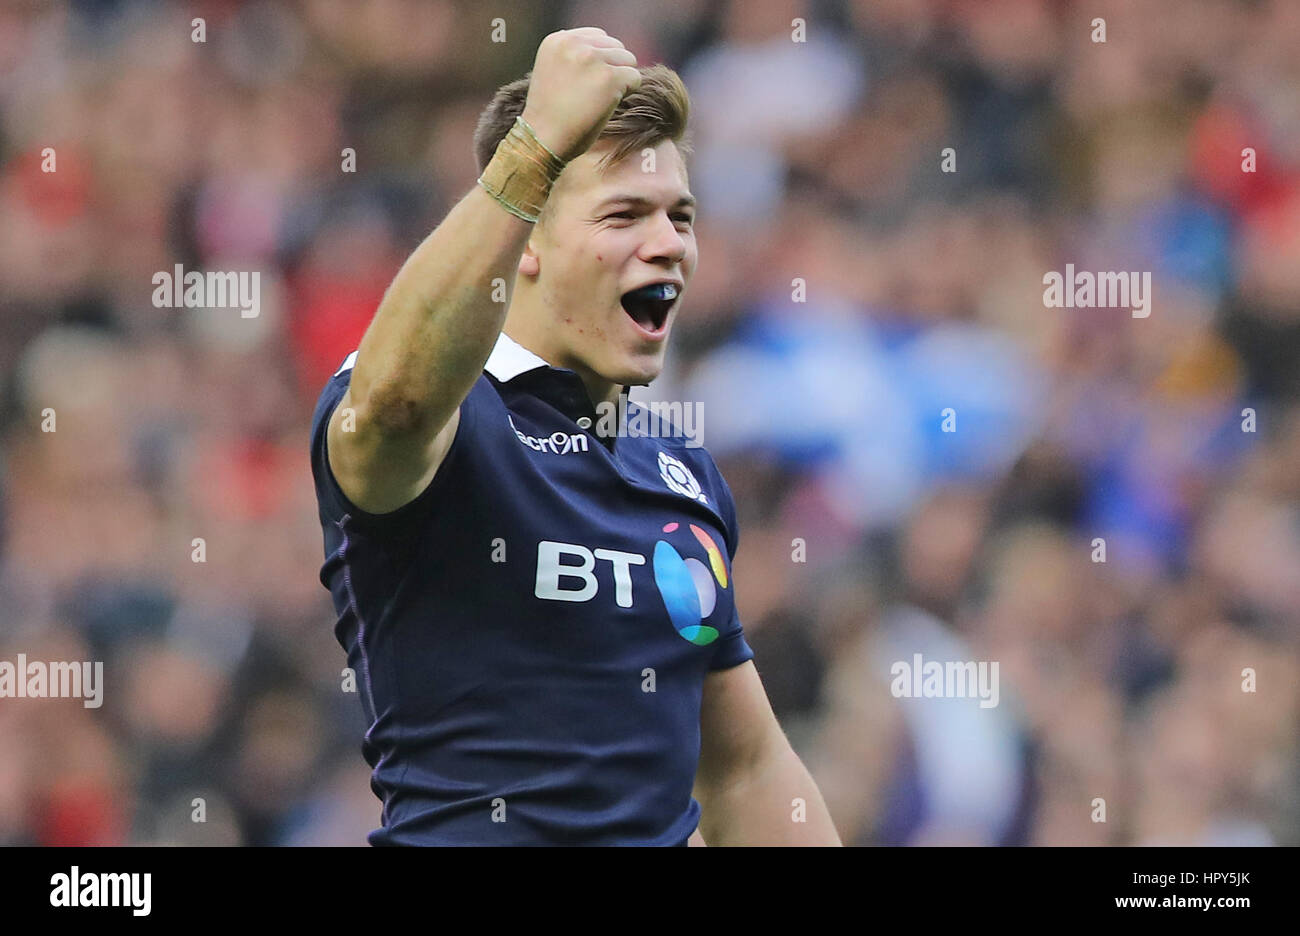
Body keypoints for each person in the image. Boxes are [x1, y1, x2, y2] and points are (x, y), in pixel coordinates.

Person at [309, 26, 839, 846]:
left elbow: (745, 769)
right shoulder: (445, 422)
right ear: (524, 242)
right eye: (625, 214)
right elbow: (396, 405)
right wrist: (534, 151)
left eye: (681, 216)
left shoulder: (681, 471)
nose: (668, 244)